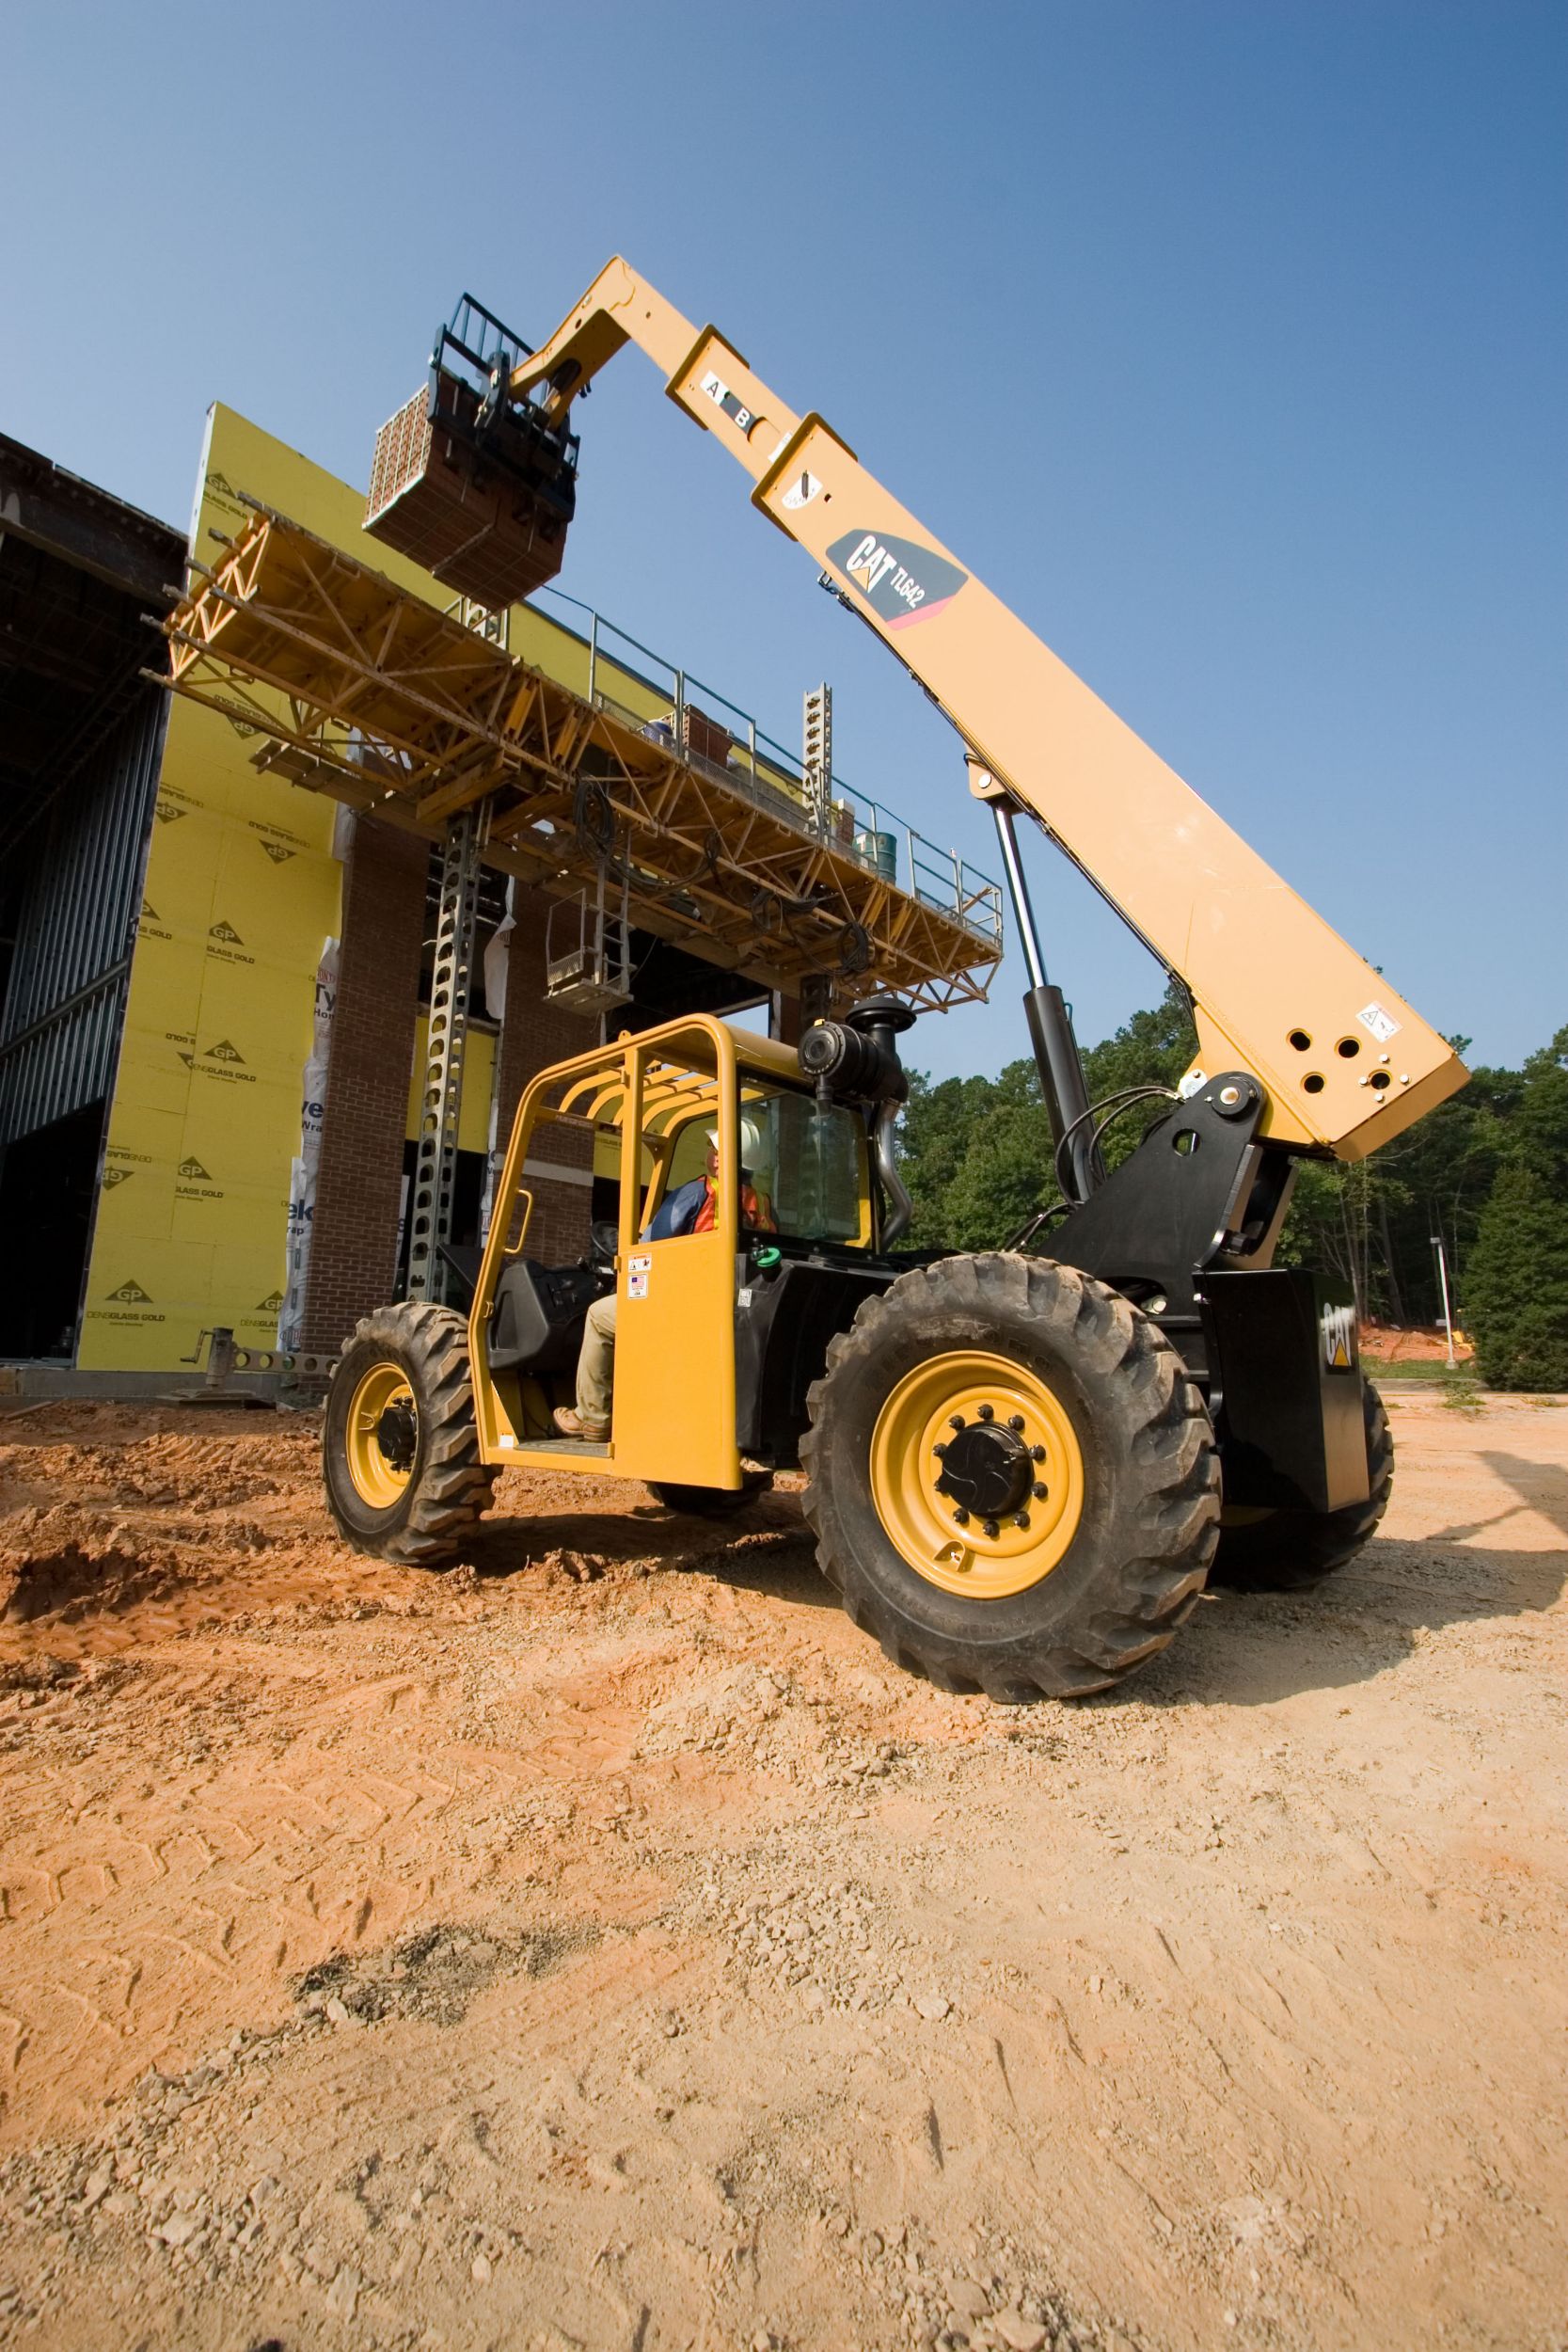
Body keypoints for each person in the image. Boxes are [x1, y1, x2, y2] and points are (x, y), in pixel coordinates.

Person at [553, 1131, 774, 1439]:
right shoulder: (762, 1204)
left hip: (684, 1303)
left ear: (729, 1158)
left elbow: (649, 1246)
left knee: (598, 1316)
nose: (709, 1154)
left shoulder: (698, 1193)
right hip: (734, 1305)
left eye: (715, 1149)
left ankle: (592, 1417)